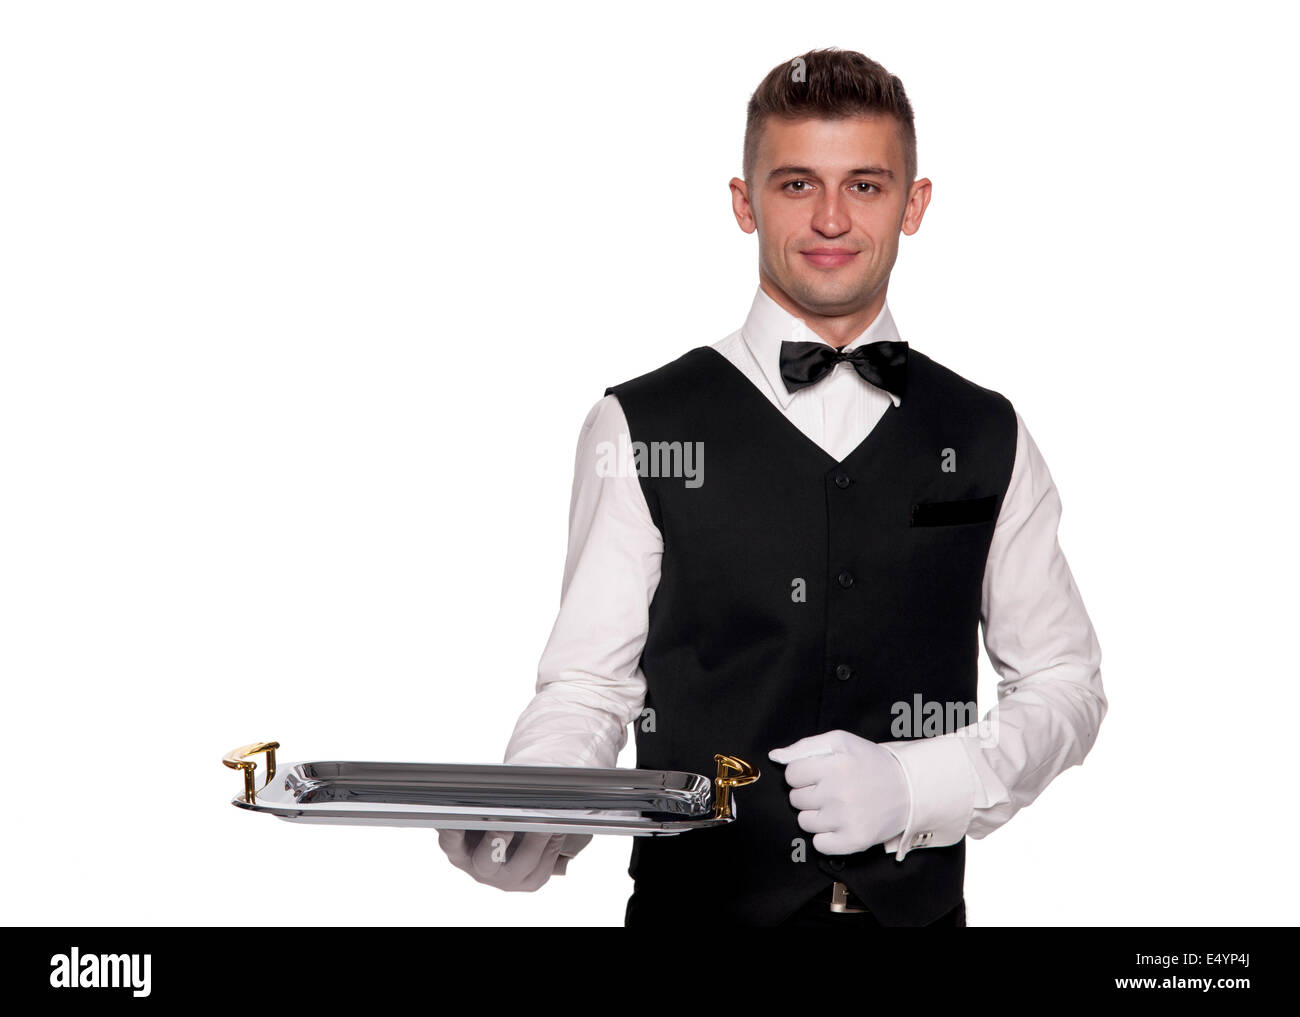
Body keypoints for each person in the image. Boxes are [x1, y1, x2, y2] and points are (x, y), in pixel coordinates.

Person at [437, 47, 1106, 927]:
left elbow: (1064, 680)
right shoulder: (638, 424)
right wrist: (540, 805)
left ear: (915, 205)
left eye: (865, 185)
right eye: (797, 184)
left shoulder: (987, 430)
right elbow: (590, 688)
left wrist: (920, 784)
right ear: (745, 202)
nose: (831, 218)